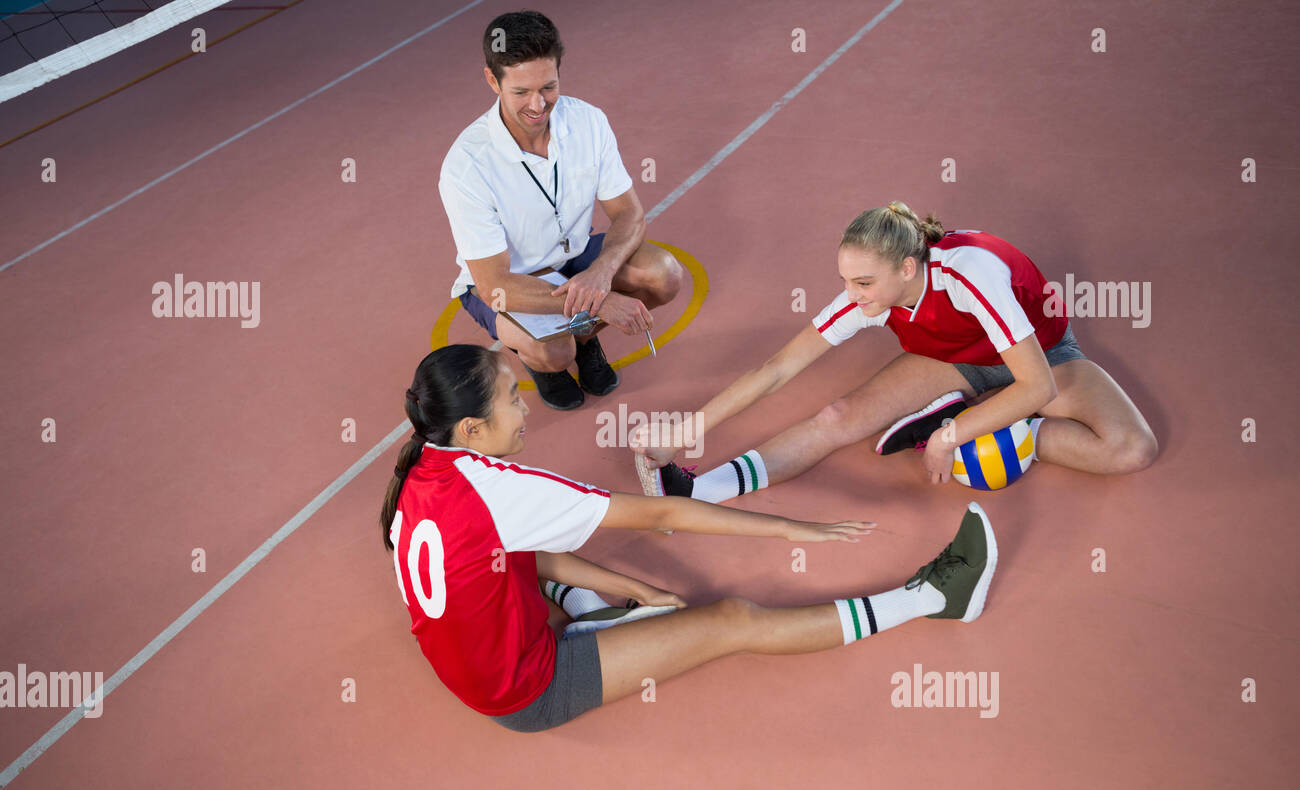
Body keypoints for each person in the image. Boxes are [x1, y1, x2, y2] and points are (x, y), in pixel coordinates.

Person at [380, 343, 999, 733]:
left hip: (473, 667)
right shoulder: (499, 489)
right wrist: (786, 528)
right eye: (514, 399)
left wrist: (632, 585)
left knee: (545, 562)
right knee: (733, 619)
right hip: (527, 690)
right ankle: (933, 598)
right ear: (472, 427)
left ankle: (601, 614)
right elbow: (654, 515)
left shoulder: (418, 473)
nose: (526, 409)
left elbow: (518, 553)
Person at [630, 201, 1158, 502]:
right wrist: (684, 433)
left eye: (863, 282)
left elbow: (1036, 386)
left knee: (1130, 450)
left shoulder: (970, 275)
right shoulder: (869, 299)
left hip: (1040, 356)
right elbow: (775, 371)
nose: (852, 295)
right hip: (955, 359)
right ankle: (696, 493)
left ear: (908, 268)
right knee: (838, 417)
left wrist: (951, 437)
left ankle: (1006, 430)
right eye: (845, 281)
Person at [437, 10, 682, 411]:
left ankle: (584, 339)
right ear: (491, 80)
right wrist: (600, 302)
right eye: (520, 92)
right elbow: (494, 284)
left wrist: (599, 275)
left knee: (665, 276)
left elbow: (629, 214)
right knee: (553, 353)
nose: (538, 105)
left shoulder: (588, 121)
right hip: (514, 278)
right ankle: (550, 362)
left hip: (576, 257)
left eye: (548, 87)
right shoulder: (466, 165)